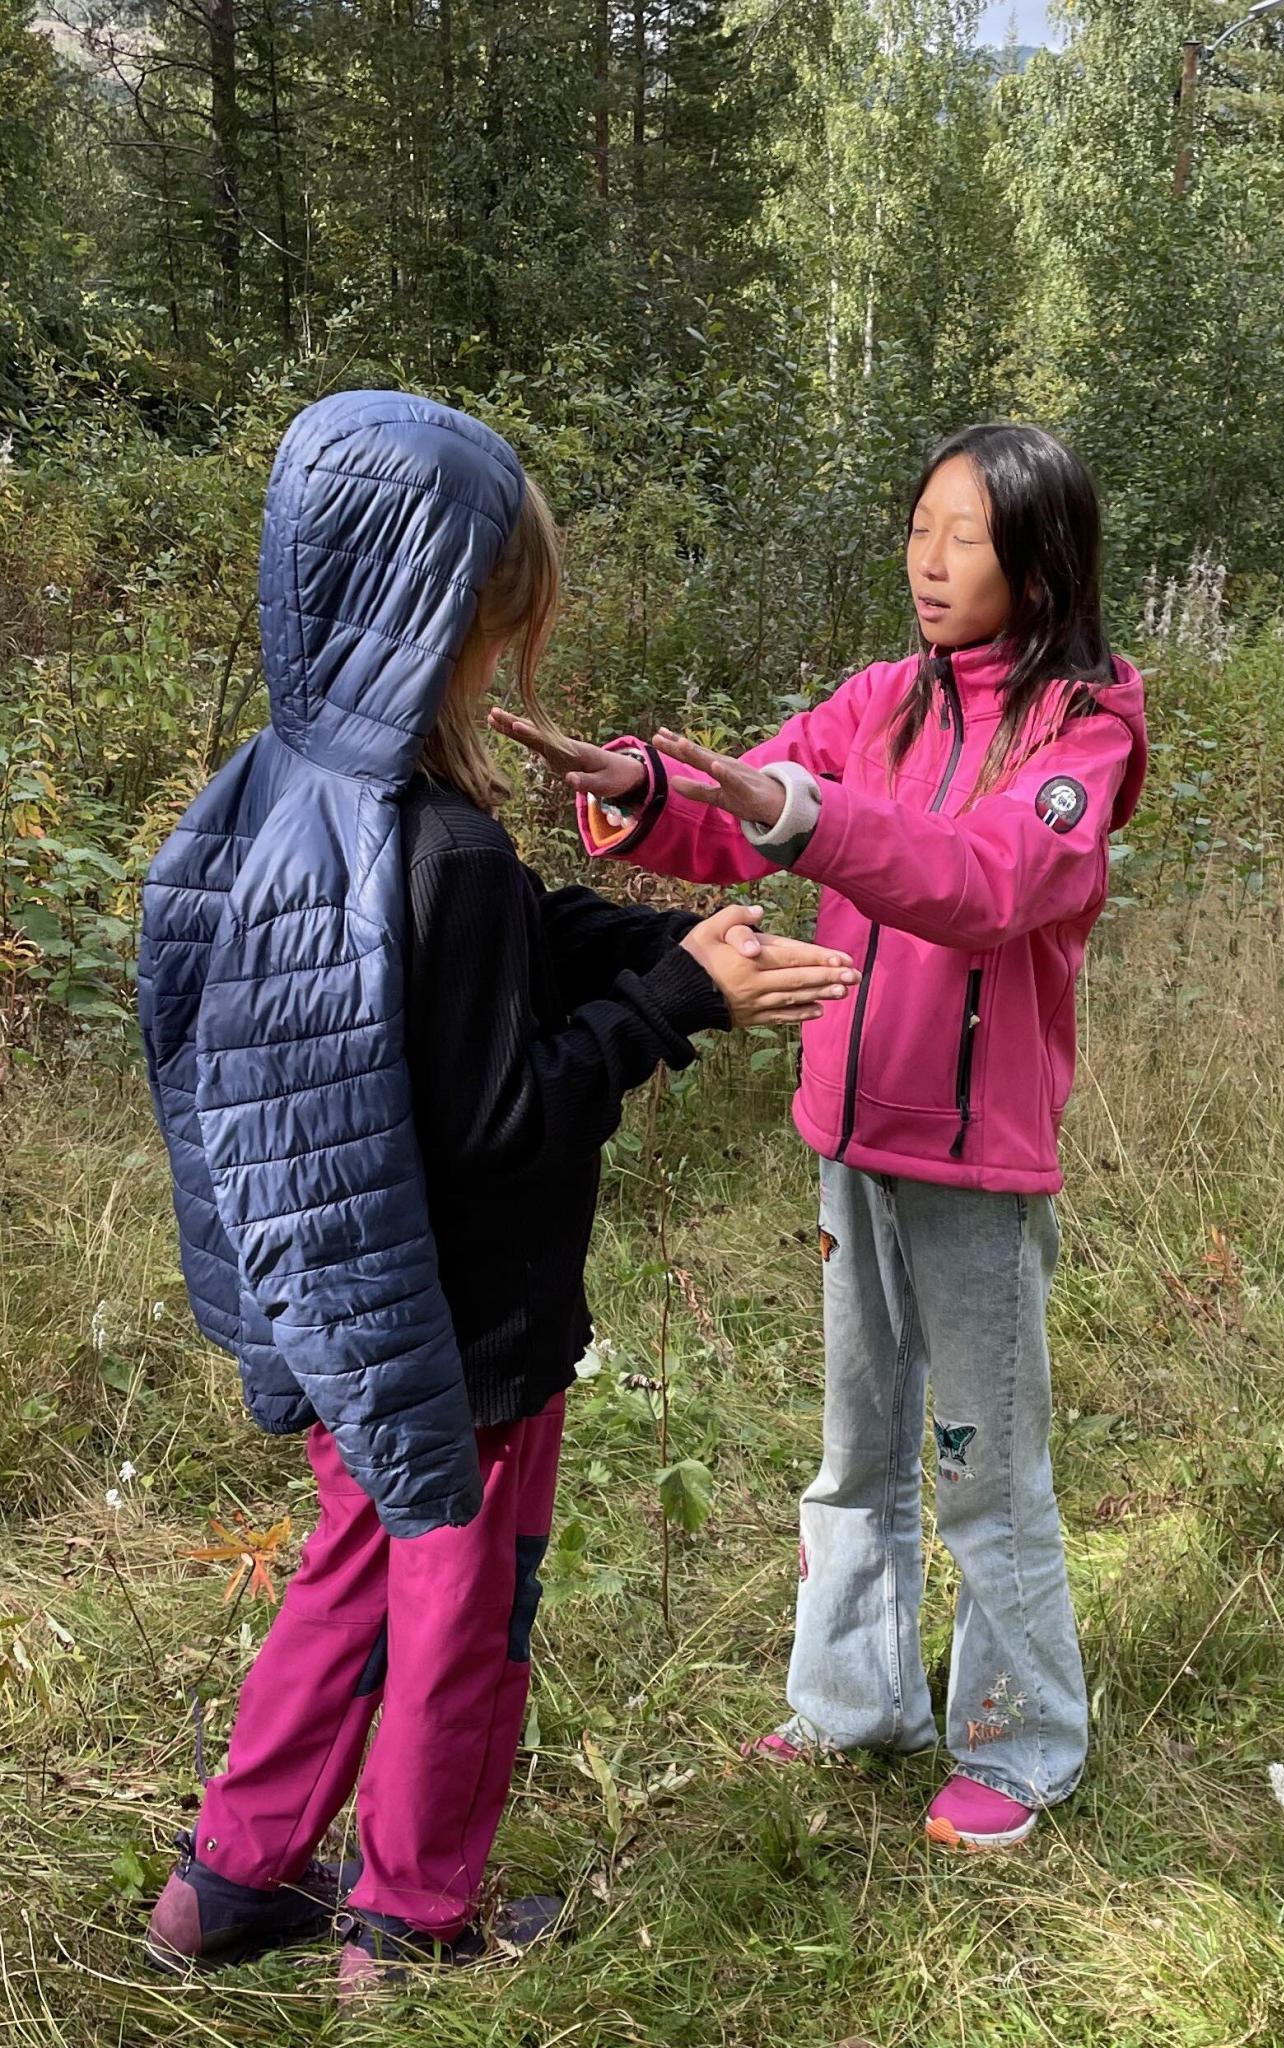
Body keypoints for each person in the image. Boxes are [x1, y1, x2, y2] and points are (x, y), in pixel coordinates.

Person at [136, 391, 856, 1986]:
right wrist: (676, 1007)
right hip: (469, 1339)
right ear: (431, 616)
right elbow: (504, 1119)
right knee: (460, 1620)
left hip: (353, 1312)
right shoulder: (439, 850)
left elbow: (499, 957)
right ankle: (410, 1925)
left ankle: (232, 1881)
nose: (498, 666)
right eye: (495, 630)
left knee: (344, 1585)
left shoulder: (294, 790)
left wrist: (642, 947)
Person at [493, 422, 1148, 1852]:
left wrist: (805, 814)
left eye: (965, 534)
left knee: (987, 1465)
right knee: (856, 1450)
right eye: (920, 524)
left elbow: (987, 884)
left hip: (976, 1166)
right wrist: (637, 787)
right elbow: (746, 809)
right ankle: (856, 1701)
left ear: (1042, 560)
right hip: (851, 1137)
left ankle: (1020, 1743)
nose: (929, 557)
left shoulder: (1084, 731)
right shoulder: (880, 703)